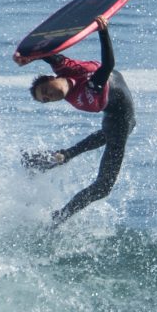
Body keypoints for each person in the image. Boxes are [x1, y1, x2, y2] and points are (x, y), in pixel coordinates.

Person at [15, 13, 136, 225]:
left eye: (45, 91)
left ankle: (57, 157)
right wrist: (103, 31)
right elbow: (107, 66)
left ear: (51, 78)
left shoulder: (65, 68)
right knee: (103, 187)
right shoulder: (84, 95)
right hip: (118, 119)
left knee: (111, 134)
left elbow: (47, 52)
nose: (50, 97)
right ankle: (60, 216)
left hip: (120, 118)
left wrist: (25, 56)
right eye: (46, 100)